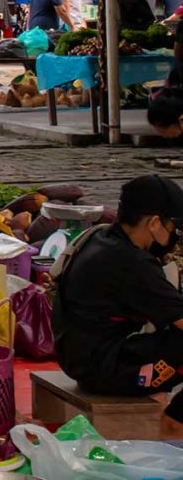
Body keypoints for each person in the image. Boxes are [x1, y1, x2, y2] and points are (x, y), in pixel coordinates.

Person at [52, 174, 183, 419]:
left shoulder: (101, 238)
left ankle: (156, 391)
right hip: (103, 370)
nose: (176, 237)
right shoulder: (132, 264)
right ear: (155, 223)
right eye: (174, 228)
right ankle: (175, 421)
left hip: (79, 358)